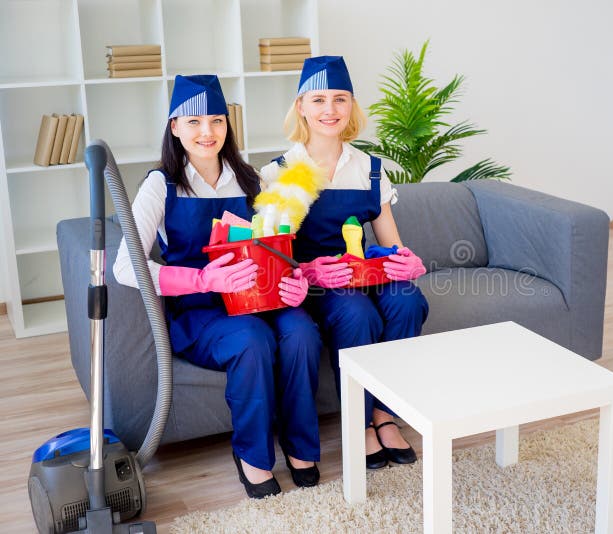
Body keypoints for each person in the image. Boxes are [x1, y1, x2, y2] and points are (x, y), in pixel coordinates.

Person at [113, 75, 322, 498]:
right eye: (193, 122)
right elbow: (124, 266)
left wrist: (295, 279)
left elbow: (275, 249)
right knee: (251, 340)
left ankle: (300, 446)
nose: (207, 132)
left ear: (228, 125)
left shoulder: (249, 181)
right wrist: (203, 279)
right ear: (174, 127)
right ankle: (252, 456)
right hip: (199, 311)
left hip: (256, 298)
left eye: (216, 121)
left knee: (301, 331)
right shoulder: (161, 186)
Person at [261, 56, 429, 470]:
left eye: (340, 99)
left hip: (360, 272)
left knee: (407, 299)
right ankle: (360, 424)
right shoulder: (279, 173)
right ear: (301, 107)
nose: (330, 110)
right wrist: (310, 271)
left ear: (352, 107)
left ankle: (384, 415)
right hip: (312, 284)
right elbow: (274, 261)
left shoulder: (370, 170)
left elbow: (392, 245)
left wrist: (406, 262)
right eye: (318, 99)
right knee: (355, 313)